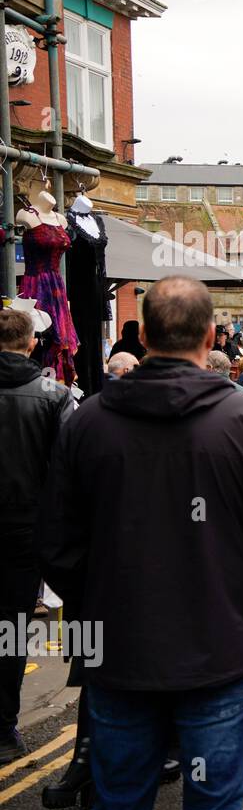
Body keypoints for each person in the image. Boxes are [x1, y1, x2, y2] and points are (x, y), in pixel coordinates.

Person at [38, 277, 243, 810]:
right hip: (221, 652)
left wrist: (97, 605)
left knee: (119, 807)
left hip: (120, 652)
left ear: (142, 339)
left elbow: (57, 544)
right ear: (211, 336)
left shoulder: (87, 422)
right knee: (212, 806)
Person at [0, 307, 75, 762]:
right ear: (32, 344)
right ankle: (5, 728)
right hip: (25, 531)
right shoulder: (53, 394)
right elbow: (67, 472)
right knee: (11, 628)